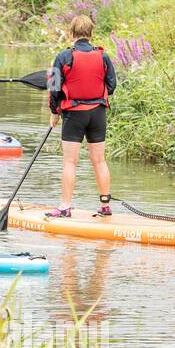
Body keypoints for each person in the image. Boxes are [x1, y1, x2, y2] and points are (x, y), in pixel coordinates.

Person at [46, 14, 117, 219]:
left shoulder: (62, 56)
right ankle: (105, 206)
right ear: (91, 33)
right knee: (99, 160)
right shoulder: (103, 56)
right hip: (98, 114)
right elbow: (111, 87)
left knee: (70, 162)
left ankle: (65, 207)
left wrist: (54, 112)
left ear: (71, 32)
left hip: (74, 114)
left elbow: (53, 87)